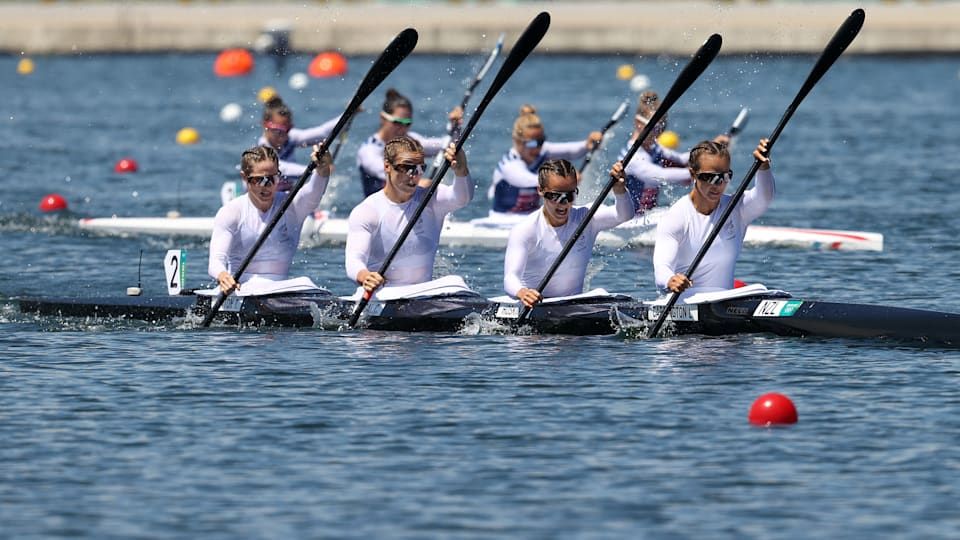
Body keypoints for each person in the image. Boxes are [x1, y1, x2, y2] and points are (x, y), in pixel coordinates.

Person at [346, 135, 473, 293]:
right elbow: (354, 259)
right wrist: (365, 276)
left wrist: (461, 170)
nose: (414, 175)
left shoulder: (430, 199)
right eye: (406, 167)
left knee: (456, 282)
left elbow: (462, 198)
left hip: (422, 293)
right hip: (383, 293)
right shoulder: (367, 211)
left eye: (421, 168)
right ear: (387, 166)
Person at [504, 158, 634, 308]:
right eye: (555, 196)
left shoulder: (587, 218)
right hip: (537, 306)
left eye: (569, 196)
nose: (563, 203)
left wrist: (620, 190)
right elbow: (510, 278)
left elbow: (624, 215)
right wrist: (523, 293)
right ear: (540, 190)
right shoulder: (525, 230)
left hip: (574, 305)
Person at [652, 138, 773, 294]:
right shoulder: (676, 218)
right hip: (685, 301)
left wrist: (763, 166)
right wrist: (670, 280)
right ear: (692, 174)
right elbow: (662, 268)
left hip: (725, 300)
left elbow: (765, 197)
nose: (718, 184)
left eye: (724, 177)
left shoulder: (736, 209)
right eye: (709, 177)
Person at [209, 144, 332, 294]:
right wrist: (223, 276)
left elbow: (313, 193)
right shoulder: (232, 212)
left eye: (272, 179)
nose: (266, 186)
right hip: (242, 288)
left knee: (307, 283)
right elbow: (216, 260)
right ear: (244, 178)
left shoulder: (290, 206)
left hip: (281, 290)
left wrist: (322, 169)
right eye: (259, 180)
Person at [619, 90, 729, 215]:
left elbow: (682, 160)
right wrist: (703, 174)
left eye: (663, 127)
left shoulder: (655, 148)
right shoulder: (633, 157)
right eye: (655, 127)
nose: (659, 133)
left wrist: (709, 149)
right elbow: (660, 176)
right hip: (630, 221)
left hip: (647, 216)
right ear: (638, 123)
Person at [221, 95, 340, 206]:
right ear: (265, 125)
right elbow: (281, 168)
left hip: (283, 198)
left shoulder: (290, 138)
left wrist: (349, 113)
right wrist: (318, 170)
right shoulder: (261, 150)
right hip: (259, 201)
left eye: (287, 130)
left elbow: (323, 132)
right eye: (278, 130)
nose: (283, 136)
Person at [488, 105, 602, 220]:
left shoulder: (541, 151)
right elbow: (526, 179)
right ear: (516, 140)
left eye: (540, 141)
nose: (537, 148)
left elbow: (571, 152)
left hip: (531, 218)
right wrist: (565, 180)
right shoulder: (509, 165)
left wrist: (587, 145)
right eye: (531, 144)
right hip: (502, 220)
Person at [356, 88, 463, 197]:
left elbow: (448, 146)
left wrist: (454, 127)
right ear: (383, 118)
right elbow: (384, 171)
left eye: (407, 123)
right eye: (397, 122)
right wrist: (417, 183)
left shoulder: (411, 141)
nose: (402, 128)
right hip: (378, 211)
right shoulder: (369, 150)